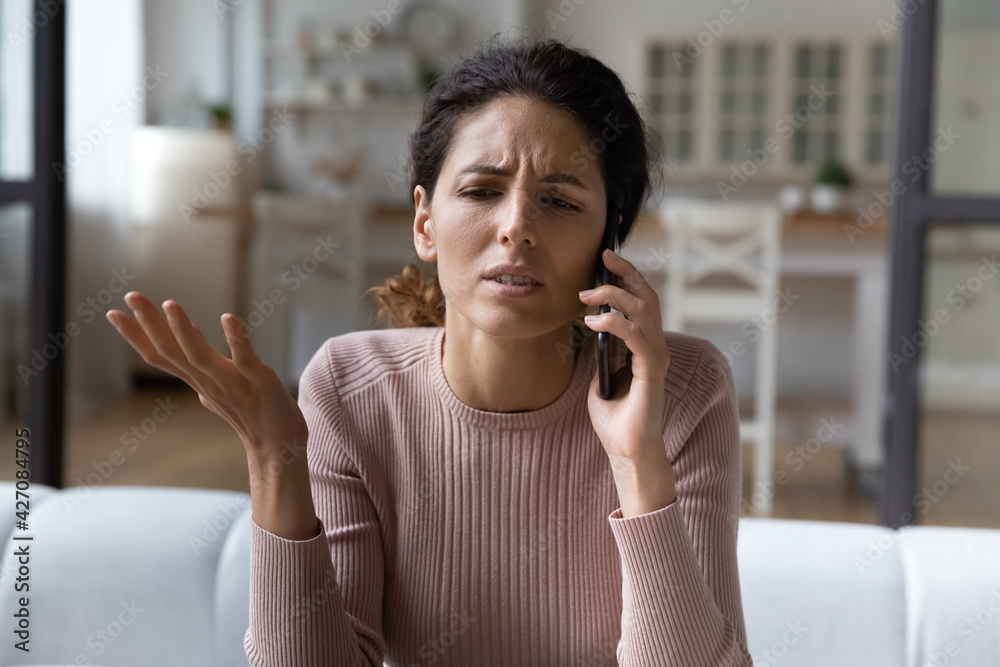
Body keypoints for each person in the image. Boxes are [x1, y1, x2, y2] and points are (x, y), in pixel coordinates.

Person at [106, 34, 752, 667]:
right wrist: (277, 462)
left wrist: (638, 459)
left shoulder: (682, 388)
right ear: (424, 222)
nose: (516, 226)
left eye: (559, 200)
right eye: (480, 190)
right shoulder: (349, 386)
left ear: (608, 239)